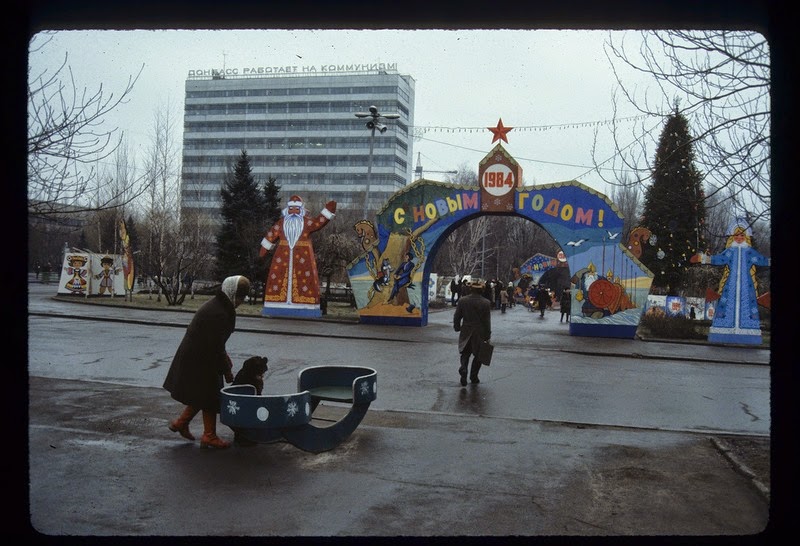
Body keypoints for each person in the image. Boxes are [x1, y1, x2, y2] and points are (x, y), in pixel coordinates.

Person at [163, 275, 251, 449]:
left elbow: (217, 344)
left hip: (199, 355)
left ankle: (181, 423)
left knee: (203, 393)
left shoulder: (220, 305)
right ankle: (208, 435)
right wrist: (226, 370)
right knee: (210, 395)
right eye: (239, 297)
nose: (240, 302)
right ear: (232, 293)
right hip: (200, 357)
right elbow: (216, 347)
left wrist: (225, 359)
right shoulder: (219, 313)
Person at [690, 218, 770, 344]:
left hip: (746, 286)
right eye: (736, 235)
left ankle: (748, 330)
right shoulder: (730, 252)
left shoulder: (750, 252)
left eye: (742, 235)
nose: (739, 237)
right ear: (732, 236)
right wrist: (702, 258)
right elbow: (717, 259)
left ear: (746, 236)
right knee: (727, 304)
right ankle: (723, 329)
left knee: (748, 307)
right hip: (730, 285)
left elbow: (763, 260)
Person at [258, 195, 336, 315]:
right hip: (282, 256)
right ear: (287, 210)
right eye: (291, 209)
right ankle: (276, 303)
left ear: (301, 210)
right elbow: (272, 232)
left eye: (296, 209)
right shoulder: (282, 223)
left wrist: (327, 211)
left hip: (303, 257)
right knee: (278, 276)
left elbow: (318, 223)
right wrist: (265, 246)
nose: (294, 211)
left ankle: (305, 304)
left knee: (305, 279)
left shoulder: (306, 223)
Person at [453, 279, 492, 386]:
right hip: (479, 332)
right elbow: (486, 321)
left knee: (465, 353)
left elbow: (457, 316)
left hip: (466, 329)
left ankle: (464, 368)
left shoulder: (463, 301)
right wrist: (487, 335)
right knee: (478, 355)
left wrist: (457, 327)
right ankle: (473, 377)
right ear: (482, 290)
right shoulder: (486, 303)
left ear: (471, 289)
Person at [231, 356, 269, 446]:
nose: (262, 376)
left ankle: (242, 436)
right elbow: (257, 399)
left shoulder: (242, 376)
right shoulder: (253, 382)